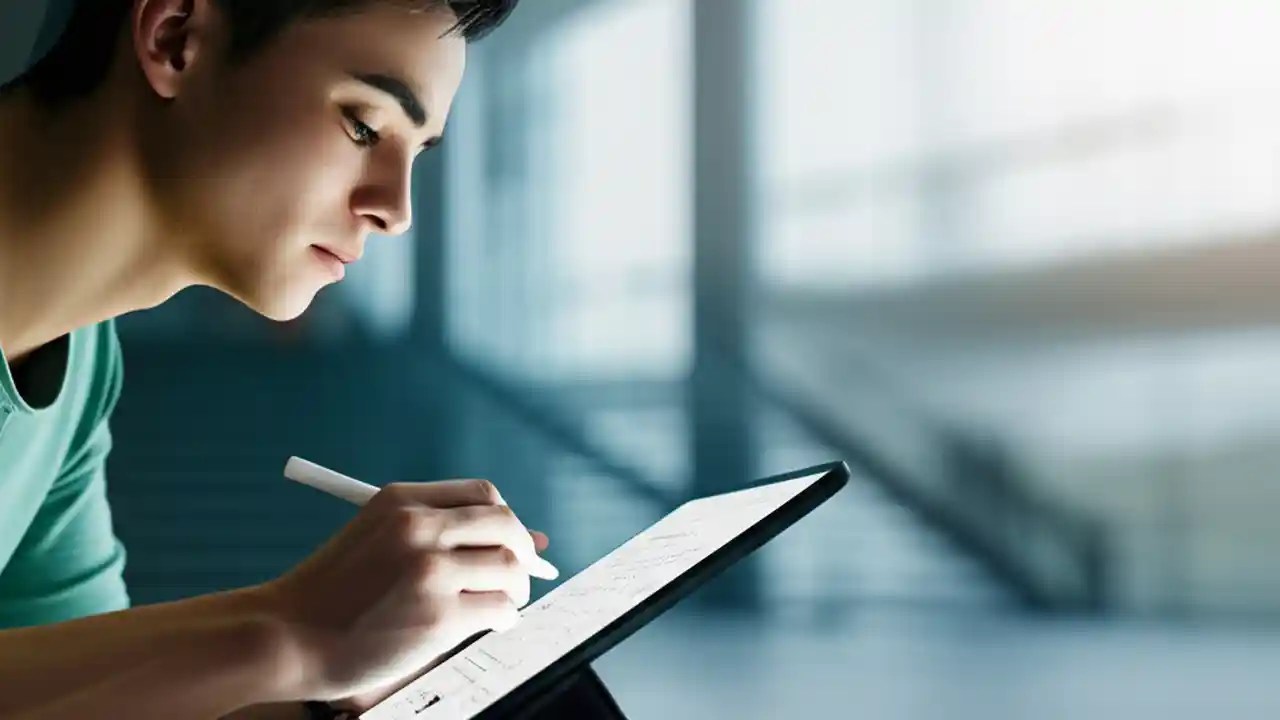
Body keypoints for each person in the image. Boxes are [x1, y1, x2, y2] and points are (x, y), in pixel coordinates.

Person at [0, 1, 559, 718]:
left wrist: (340, 693)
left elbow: (73, 696)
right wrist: (290, 636)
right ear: (175, 38)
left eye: (416, 152)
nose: (396, 208)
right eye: (364, 125)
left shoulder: (76, 367)